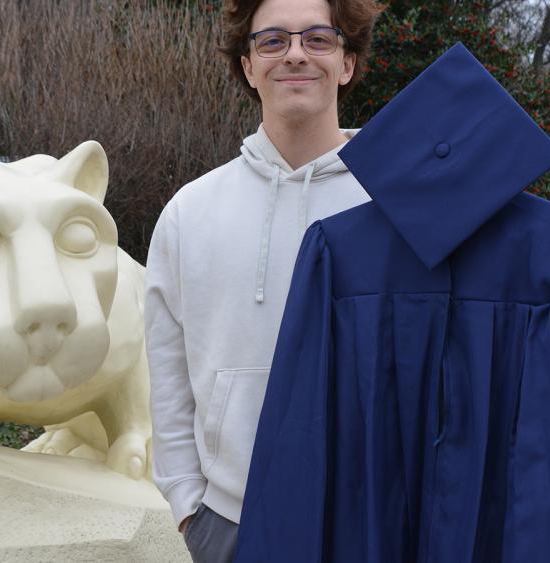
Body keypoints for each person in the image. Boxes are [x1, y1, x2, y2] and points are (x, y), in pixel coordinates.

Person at [144, 0, 384, 560]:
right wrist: (189, 507)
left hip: (372, 521)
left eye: (318, 39)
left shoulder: (394, 204)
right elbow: (168, 375)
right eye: (272, 41)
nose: (296, 54)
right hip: (232, 524)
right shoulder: (189, 212)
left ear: (346, 63)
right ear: (248, 66)